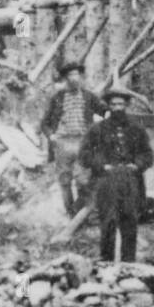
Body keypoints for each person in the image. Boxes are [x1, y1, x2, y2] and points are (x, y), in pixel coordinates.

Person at [79, 88, 154, 262]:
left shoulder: (137, 129)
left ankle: (129, 264)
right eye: (114, 104)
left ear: (126, 105)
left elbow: (148, 154)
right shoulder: (97, 130)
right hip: (107, 181)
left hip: (130, 180)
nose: (118, 108)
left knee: (130, 222)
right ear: (108, 106)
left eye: (121, 104)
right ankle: (106, 262)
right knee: (108, 222)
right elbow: (84, 155)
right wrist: (102, 165)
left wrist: (137, 165)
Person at [40, 61, 107, 216]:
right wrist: (52, 136)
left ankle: (81, 212)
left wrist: (110, 114)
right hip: (63, 144)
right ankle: (71, 214)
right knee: (64, 181)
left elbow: (104, 111)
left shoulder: (89, 97)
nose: (75, 78)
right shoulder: (57, 98)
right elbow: (45, 123)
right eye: (71, 75)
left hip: (83, 143)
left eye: (77, 74)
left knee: (83, 180)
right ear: (65, 78)